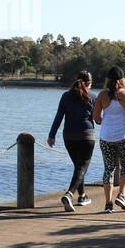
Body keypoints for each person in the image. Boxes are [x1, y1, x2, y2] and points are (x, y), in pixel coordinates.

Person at [93, 65, 125, 213]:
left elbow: (96, 118)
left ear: (108, 80)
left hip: (106, 137)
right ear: (122, 79)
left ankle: (108, 204)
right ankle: (121, 195)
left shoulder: (102, 95)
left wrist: (105, 121)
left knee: (108, 169)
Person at [47, 70, 97, 211]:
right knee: (82, 167)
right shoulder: (93, 97)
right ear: (90, 83)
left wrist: (52, 135)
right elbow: (98, 119)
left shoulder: (66, 96)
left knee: (78, 167)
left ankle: (82, 196)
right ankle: (69, 194)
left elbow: (59, 117)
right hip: (86, 136)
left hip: (69, 137)